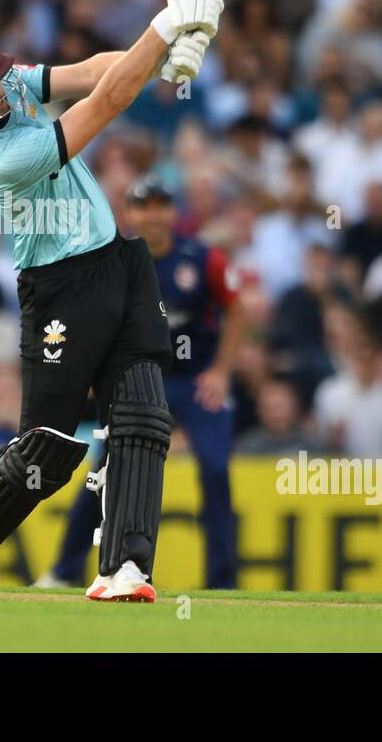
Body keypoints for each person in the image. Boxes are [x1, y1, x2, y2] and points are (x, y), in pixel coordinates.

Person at [0, 0, 223, 602]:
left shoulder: (11, 83)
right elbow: (107, 102)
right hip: (57, 286)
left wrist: (165, 56)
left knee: (141, 418)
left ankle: (124, 568)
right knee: (47, 454)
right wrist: (163, 26)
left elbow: (93, 73)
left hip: (117, 262)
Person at [40, 178, 245, 590]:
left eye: (162, 204)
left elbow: (236, 308)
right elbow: (92, 323)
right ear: (129, 214)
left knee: (217, 468)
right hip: (137, 378)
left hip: (194, 381)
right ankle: (63, 572)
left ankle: (222, 581)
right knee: (105, 469)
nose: (153, 214)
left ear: (173, 212)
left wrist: (222, 370)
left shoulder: (203, 259)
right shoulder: (113, 261)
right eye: (143, 206)